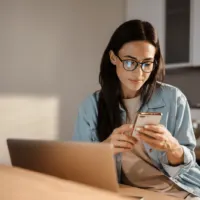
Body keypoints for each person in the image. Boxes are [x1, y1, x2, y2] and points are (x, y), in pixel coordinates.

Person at [72, 19, 200, 199]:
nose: (139, 74)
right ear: (113, 58)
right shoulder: (91, 106)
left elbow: (188, 164)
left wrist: (172, 147)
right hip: (130, 193)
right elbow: (76, 166)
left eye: (147, 64)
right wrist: (104, 149)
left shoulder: (174, 98)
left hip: (180, 191)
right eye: (130, 62)